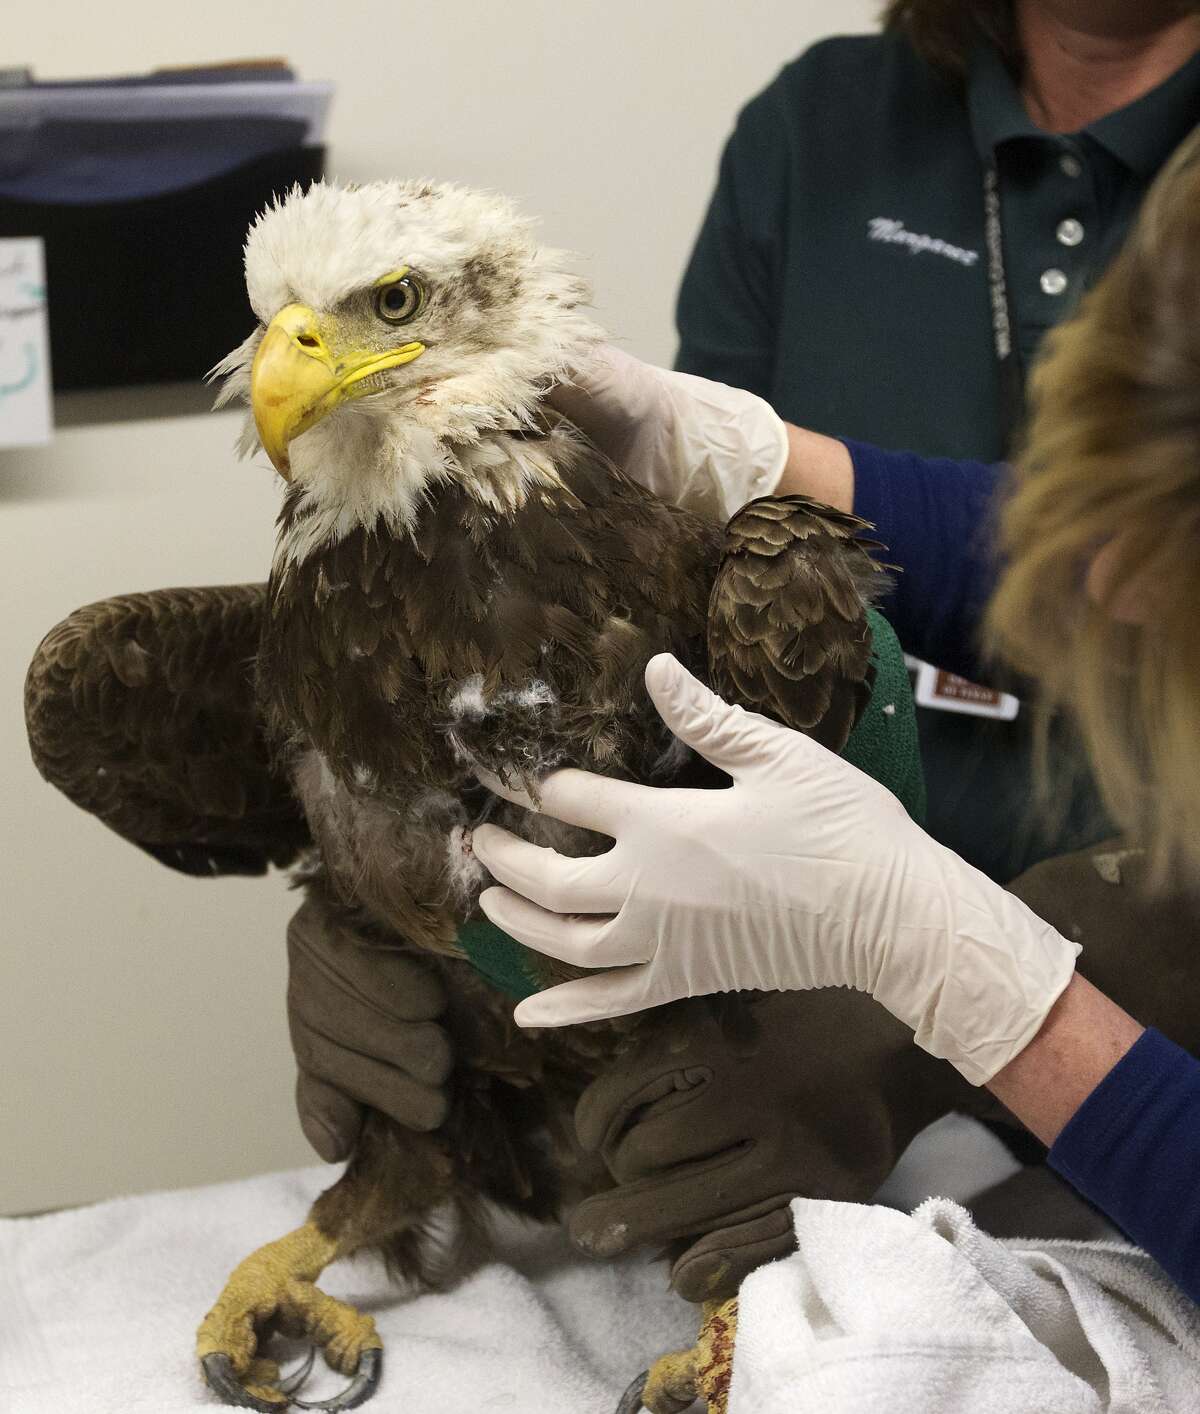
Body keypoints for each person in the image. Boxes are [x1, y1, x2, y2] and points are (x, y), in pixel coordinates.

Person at [286, 0, 1200, 1307]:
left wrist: (954, 983)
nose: (1091, 592)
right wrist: (387, 898)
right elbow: (1088, 559)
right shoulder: (820, 124)